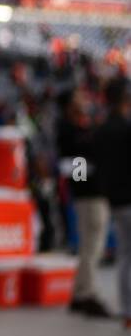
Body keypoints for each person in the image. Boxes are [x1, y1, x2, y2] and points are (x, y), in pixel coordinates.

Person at [57, 85, 113, 316]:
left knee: (91, 247)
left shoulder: (82, 128)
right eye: (79, 97)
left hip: (91, 194)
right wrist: (90, 173)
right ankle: (88, 294)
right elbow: (72, 167)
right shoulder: (70, 130)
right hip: (88, 196)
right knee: (92, 247)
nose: (84, 100)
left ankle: (80, 292)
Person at [93, 76, 131, 328]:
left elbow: (84, 162)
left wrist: (83, 187)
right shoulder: (125, 128)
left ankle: (127, 311)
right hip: (121, 197)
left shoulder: (100, 128)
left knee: (124, 256)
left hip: (111, 198)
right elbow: (78, 161)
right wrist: (81, 187)